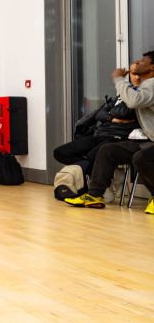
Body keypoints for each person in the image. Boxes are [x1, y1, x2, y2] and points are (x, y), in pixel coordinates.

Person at [65, 51, 154, 209]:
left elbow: (134, 101)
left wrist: (118, 78)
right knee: (108, 150)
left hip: (148, 143)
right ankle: (94, 195)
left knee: (141, 157)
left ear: (152, 67)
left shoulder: (152, 83)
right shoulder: (145, 85)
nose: (138, 63)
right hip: (147, 140)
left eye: (142, 61)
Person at [52, 64, 141, 193]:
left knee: (93, 155)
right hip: (100, 134)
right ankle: (111, 175)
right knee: (61, 152)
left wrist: (111, 114)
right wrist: (112, 117)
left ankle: (97, 185)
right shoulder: (120, 95)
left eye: (139, 73)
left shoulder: (140, 96)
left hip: (119, 137)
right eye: (133, 73)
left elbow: (125, 112)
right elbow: (99, 114)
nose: (136, 77)